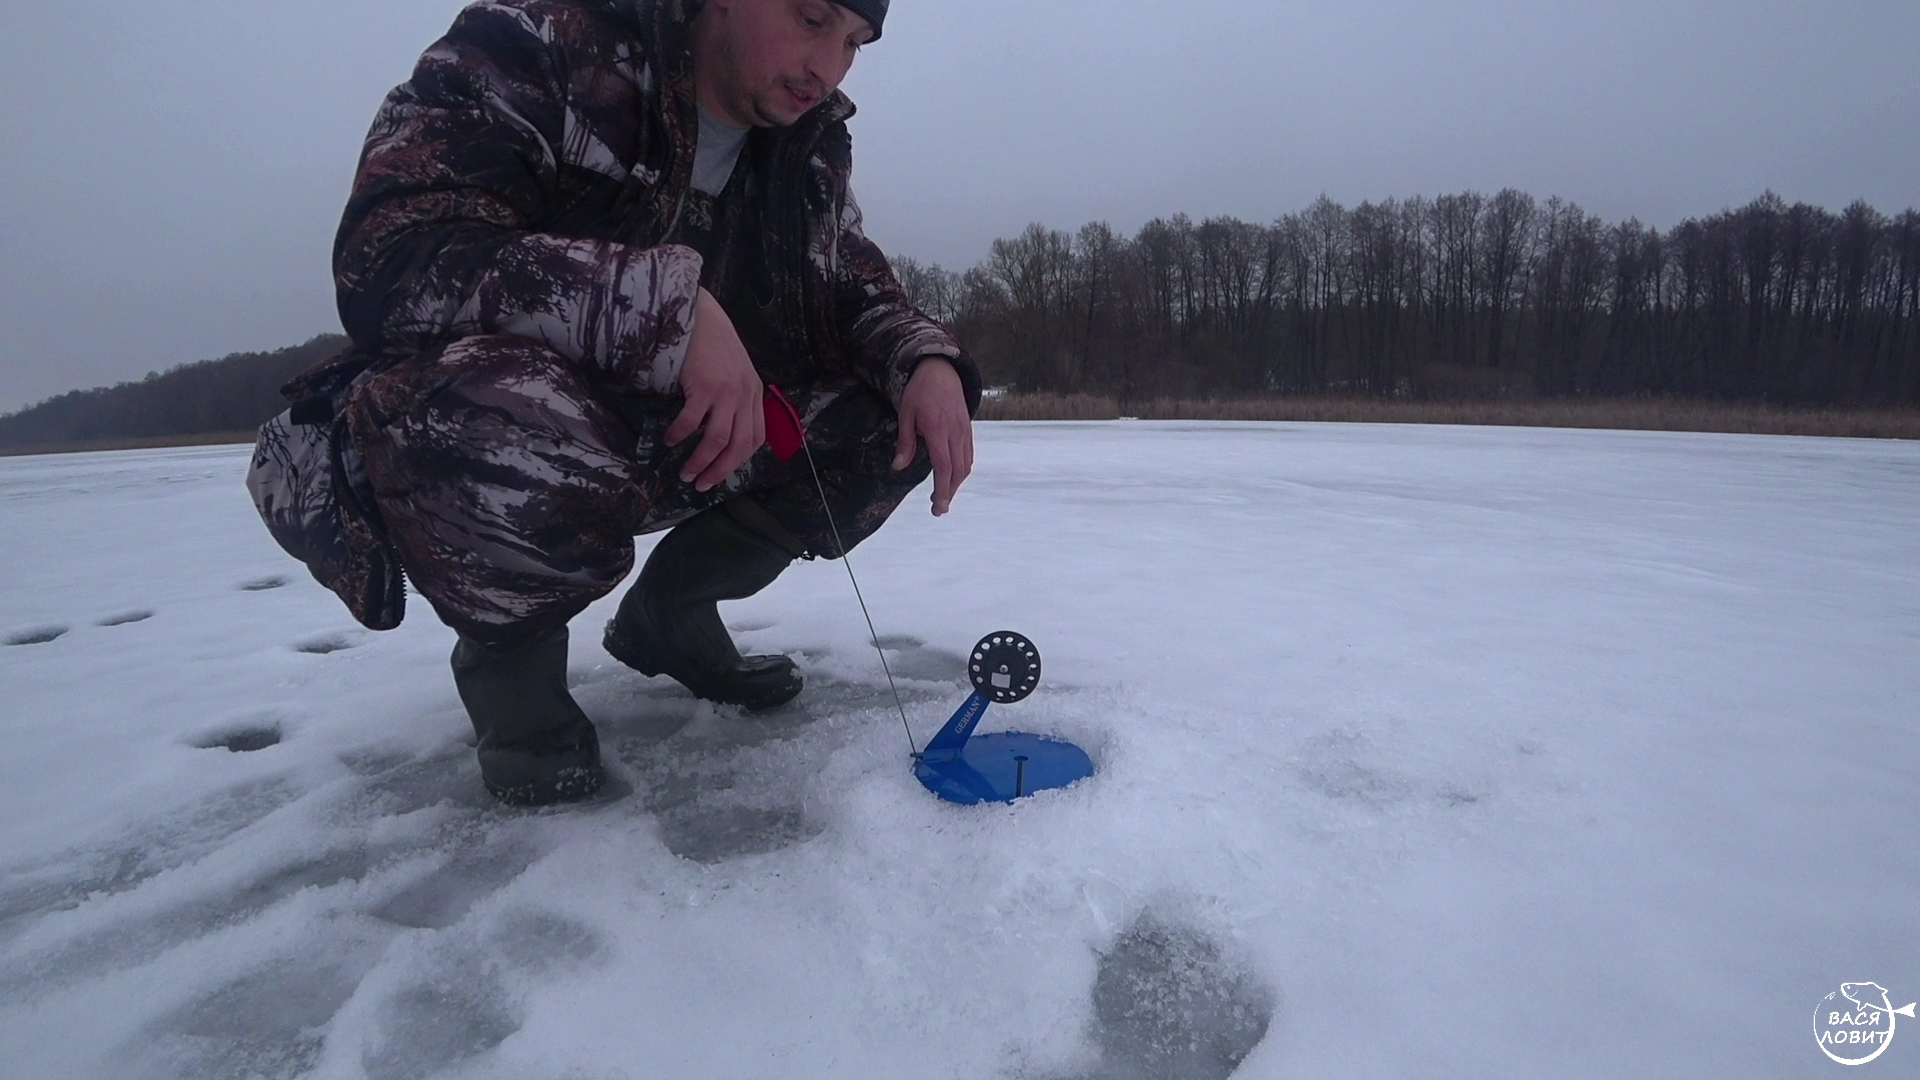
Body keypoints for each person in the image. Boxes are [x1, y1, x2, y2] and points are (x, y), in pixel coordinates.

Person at [247, 0, 980, 806]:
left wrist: (925, 360)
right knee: (508, 412)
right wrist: (665, 309)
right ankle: (519, 697)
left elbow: (850, 285)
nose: (828, 67)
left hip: (677, 433)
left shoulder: (807, 142)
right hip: (486, 422)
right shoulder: (535, 46)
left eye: (854, 43)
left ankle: (672, 614)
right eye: (811, 19)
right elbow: (390, 261)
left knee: (890, 416)